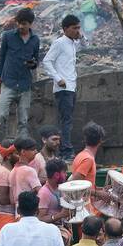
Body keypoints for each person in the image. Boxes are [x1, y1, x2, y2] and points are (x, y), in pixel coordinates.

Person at [0, 7, 40, 141]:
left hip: (25, 85)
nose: (21, 26)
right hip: (8, 82)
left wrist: (33, 63)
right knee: (2, 115)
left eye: (24, 23)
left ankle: (21, 149)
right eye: (19, 23)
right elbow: (1, 59)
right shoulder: (8, 36)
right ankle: (2, 145)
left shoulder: (35, 40)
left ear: (30, 24)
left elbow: (36, 60)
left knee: (23, 120)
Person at [41, 14, 81, 158]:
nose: (77, 31)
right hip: (63, 88)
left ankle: (65, 149)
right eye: (74, 28)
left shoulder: (73, 43)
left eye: (79, 28)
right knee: (66, 121)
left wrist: (81, 37)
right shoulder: (59, 43)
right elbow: (46, 61)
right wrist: (58, 79)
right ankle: (66, 151)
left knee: (68, 120)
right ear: (65, 29)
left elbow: (87, 45)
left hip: (71, 87)